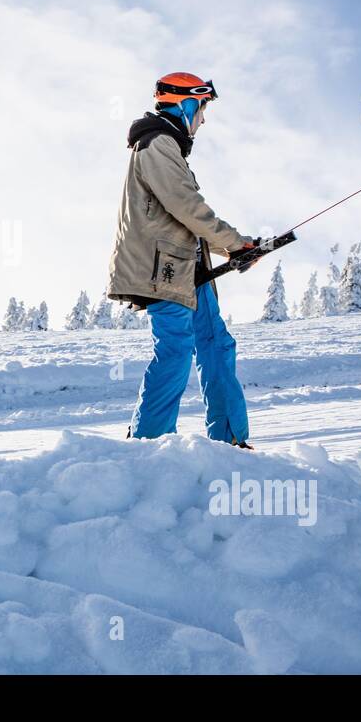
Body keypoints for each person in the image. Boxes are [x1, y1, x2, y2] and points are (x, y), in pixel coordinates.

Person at [106, 71, 258, 447]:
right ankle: (149, 443)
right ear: (187, 104)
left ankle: (230, 441)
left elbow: (184, 215)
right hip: (162, 270)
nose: (203, 120)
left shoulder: (167, 145)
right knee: (175, 349)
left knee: (217, 345)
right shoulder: (157, 142)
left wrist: (235, 248)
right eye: (203, 109)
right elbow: (185, 205)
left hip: (189, 270)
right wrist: (235, 244)